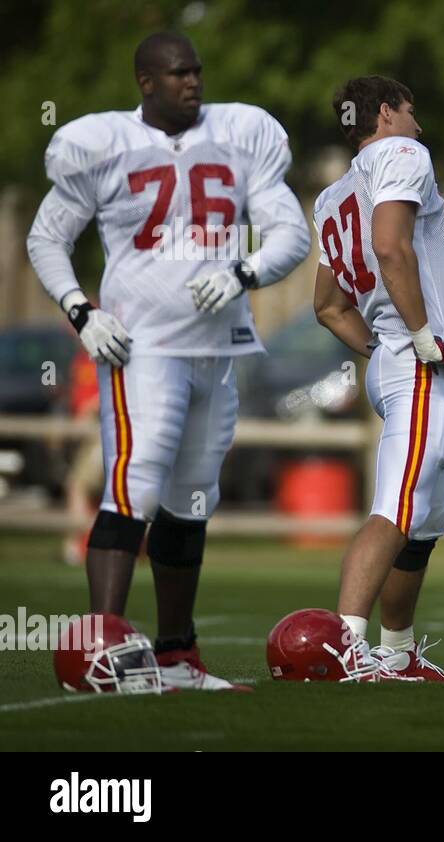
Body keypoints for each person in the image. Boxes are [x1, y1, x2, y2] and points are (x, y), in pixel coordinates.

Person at [26, 32, 310, 689]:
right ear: (145, 83)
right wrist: (80, 311)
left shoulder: (241, 134)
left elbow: (291, 233)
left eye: (197, 71)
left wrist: (244, 272)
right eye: (178, 73)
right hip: (142, 344)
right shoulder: (103, 144)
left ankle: (178, 655)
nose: (193, 81)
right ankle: (103, 654)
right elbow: (47, 238)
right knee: (139, 481)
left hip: (217, 346)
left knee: (191, 497)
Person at [312, 76, 444, 681]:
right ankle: (345, 648)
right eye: (412, 110)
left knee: (427, 518)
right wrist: (420, 331)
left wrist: (383, 346)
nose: (419, 125)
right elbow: (390, 246)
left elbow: (328, 306)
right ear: (386, 112)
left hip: (395, 358)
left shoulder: (334, 194)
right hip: (418, 358)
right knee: (397, 506)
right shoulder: (402, 153)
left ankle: (397, 651)